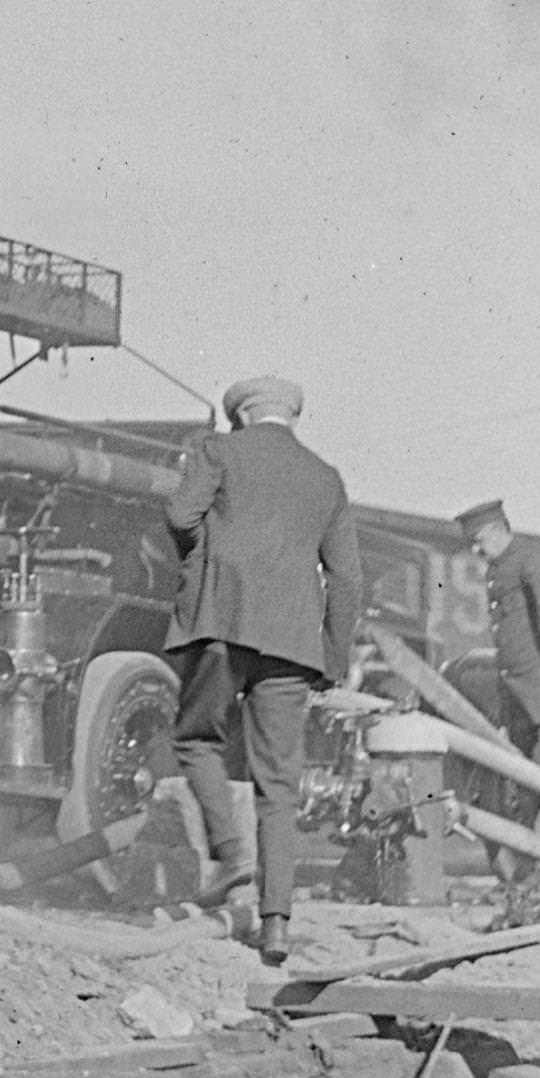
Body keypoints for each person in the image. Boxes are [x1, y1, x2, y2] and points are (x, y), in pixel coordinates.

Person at [163, 375, 363, 967]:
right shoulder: (326, 477)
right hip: (293, 642)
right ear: (291, 418)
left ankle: (230, 850)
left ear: (242, 415)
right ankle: (276, 923)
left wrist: (207, 556)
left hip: (222, 622)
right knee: (280, 786)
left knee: (196, 738)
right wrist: (333, 656)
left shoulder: (217, 450)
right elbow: (347, 577)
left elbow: (179, 514)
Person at [453, 498, 540, 868]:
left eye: (480, 540)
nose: (476, 550)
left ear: (498, 530)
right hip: (524, 701)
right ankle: (525, 876)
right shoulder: (501, 568)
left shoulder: (533, 563)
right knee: (528, 791)